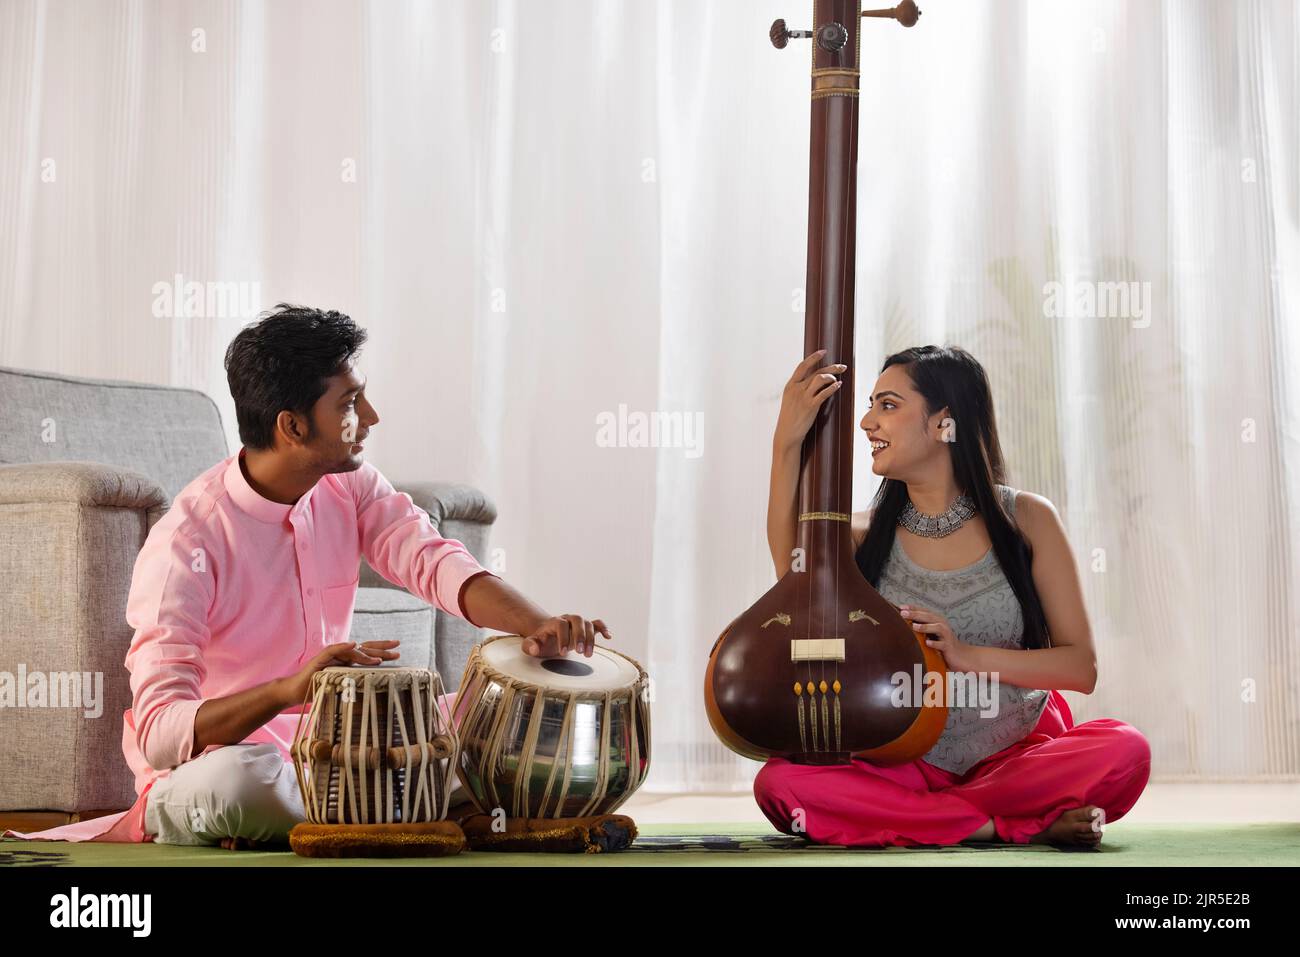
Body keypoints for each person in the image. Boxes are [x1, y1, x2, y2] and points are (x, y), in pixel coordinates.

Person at [4, 304, 611, 849]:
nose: (370, 416)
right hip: (243, 768)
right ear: (292, 427)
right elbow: (163, 734)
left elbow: (430, 557)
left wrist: (537, 624)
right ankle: (421, 804)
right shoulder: (186, 543)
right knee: (231, 786)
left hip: (347, 753)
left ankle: (378, 808)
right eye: (348, 403)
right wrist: (286, 691)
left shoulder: (348, 483)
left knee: (500, 710)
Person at [754, 345, 1150, 848]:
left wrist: (963, 656)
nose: (867, 422)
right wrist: (786, 443)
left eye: (889, 405)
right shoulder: (858, 535)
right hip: (904, 760)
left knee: (1124, 749)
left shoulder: (1027, 520)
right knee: (781, 783)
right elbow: (792, 575)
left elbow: (1080, 669)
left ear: (945, 423)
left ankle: (932, 821)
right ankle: (1000, 826)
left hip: (1016, 753)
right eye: (872, 405)